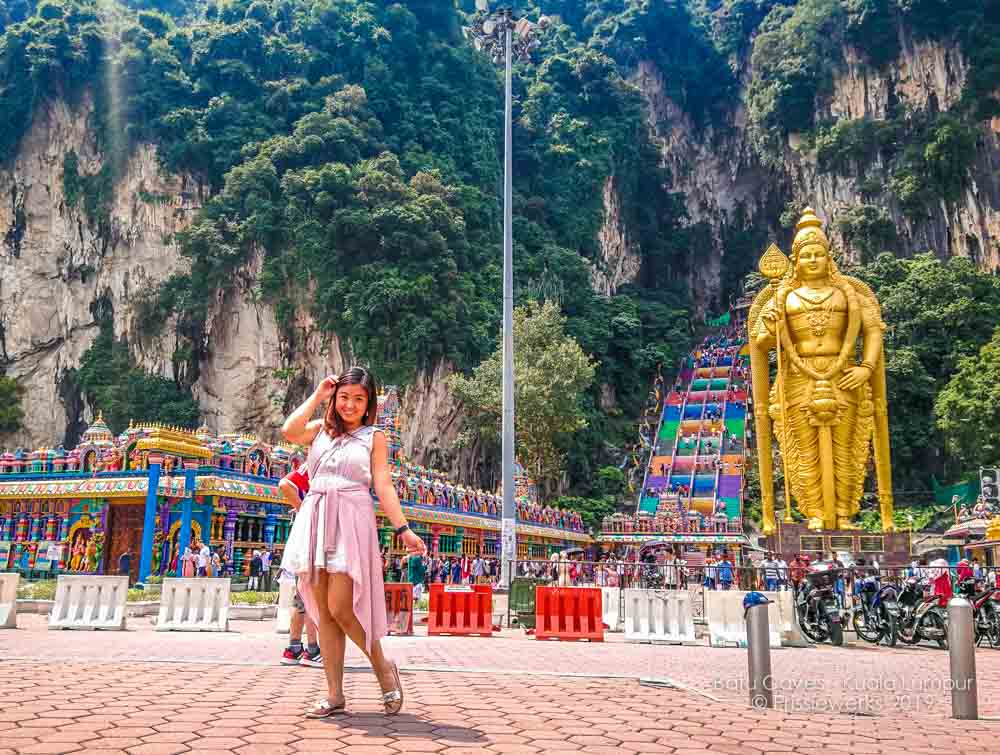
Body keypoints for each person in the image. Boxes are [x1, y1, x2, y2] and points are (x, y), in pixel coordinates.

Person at [280, 368, 426, 718]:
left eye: (359, 399)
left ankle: (382, 665)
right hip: (315, 516)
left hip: (351, 517)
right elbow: (289, 430)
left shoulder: (373, 437)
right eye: (344, 397)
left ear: (369, 404)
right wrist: (318, 395)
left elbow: (383, 485)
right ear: (335, 398)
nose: (350, 405)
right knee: (324, 614)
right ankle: (334, 695)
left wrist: (403, 528)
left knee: (341, 607)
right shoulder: (319, 431)